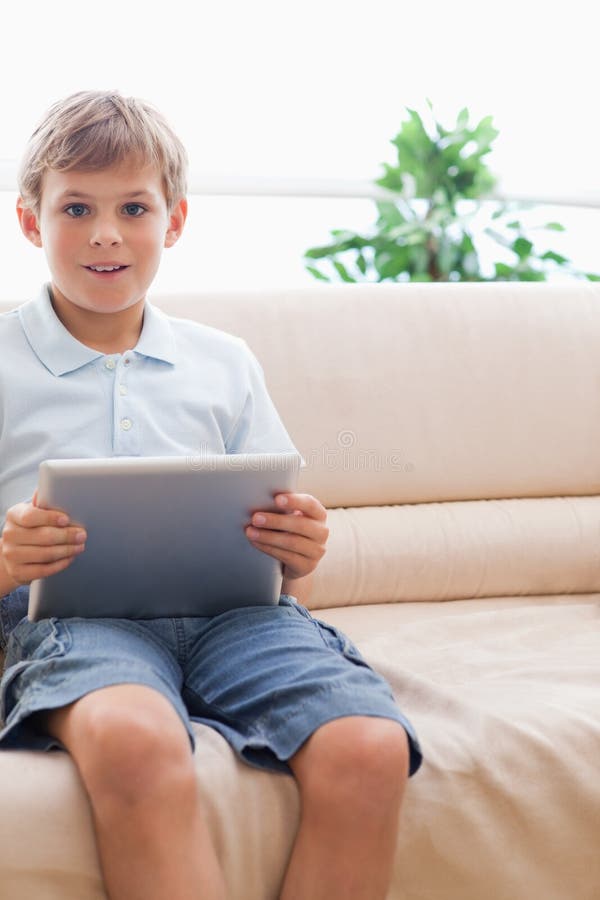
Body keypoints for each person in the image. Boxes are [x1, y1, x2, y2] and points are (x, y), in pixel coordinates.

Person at [0, 90, 423, 900]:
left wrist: (298, 554)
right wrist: (10, 559)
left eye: (134, 208)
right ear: (30, 221)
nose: (105, 232)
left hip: (240, 620)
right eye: (76, 208)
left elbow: (287, 573)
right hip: (79, 624)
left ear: (175, 221)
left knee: (368, 746)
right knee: (132, 741)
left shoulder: (224, 361)